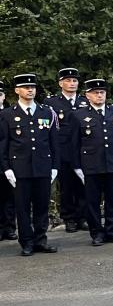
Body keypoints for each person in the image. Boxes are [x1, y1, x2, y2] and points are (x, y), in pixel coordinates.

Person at [0, 73, 60, 256]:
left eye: (32, 87)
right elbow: (3, 144)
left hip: (43, 166)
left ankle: (40, 240)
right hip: (20, 169)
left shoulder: (46, 112)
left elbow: (54, 143)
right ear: (17, 90)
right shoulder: (7, 114)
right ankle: (26, 242)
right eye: (26, 87)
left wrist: (55, 166)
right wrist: (6, 168)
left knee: (42, 206)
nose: (30, 90)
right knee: (23, 208)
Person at [73, 78, 113, 246]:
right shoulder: (78, 115)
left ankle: (112, 230)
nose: (99, 95)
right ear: (87, 95)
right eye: (95, 92)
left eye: (102, 92)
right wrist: (77, 166)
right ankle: (97, 233)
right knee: (92, 202)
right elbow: (74, 144)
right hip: (91, 165)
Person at [45, 67, 87, 232]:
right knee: (67, 186)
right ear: (60, 83)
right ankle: (69, 218)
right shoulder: (52, 103)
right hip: (63, 150)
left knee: (83, 184)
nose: (72, 83)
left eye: (75, 80)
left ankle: (82, 217)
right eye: (68, 80)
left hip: (83, 149)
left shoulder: (85, 101)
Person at [0, 79, 15, 242]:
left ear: (3, 96)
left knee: (10, 197)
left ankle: (10, 228)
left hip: (9, 161)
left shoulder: (10, 114)